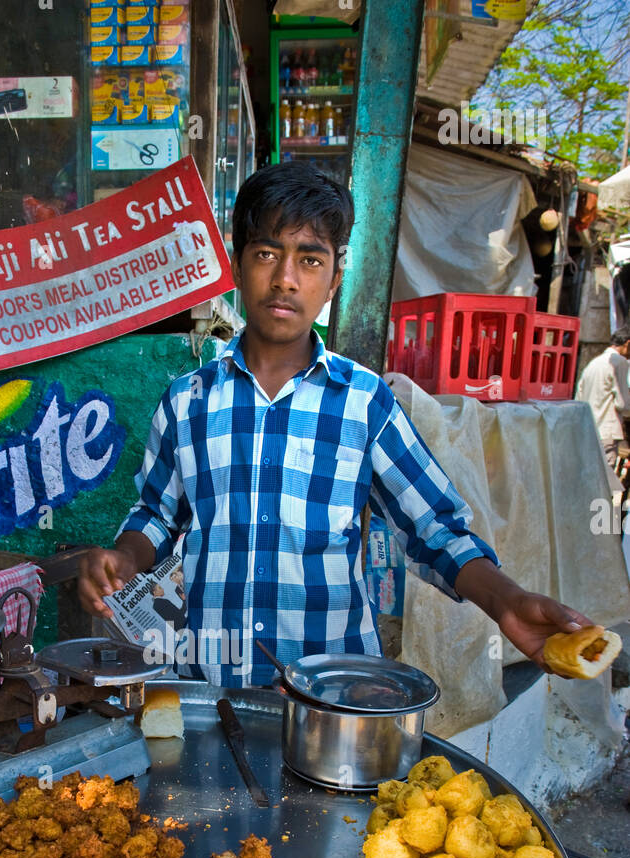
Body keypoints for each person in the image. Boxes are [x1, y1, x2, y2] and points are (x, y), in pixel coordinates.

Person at [79, 161, 592, 686]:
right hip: (211, 685)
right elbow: (158, 517)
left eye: (310, 259)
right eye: (266, 254)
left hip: (333, 692)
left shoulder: (363, 401)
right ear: (236, 266)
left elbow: (434, 528)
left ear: (333, 282)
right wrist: (124, 557)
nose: (285, 278)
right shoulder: (188, 400)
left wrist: (507, 601)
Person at [575, 328, 630, 475]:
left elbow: (579, 397)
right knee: (604, 480)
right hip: (607, 431)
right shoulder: (620, 362)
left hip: (588, 430)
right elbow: (623, 404)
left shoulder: (593, 363)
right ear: (627, 344)